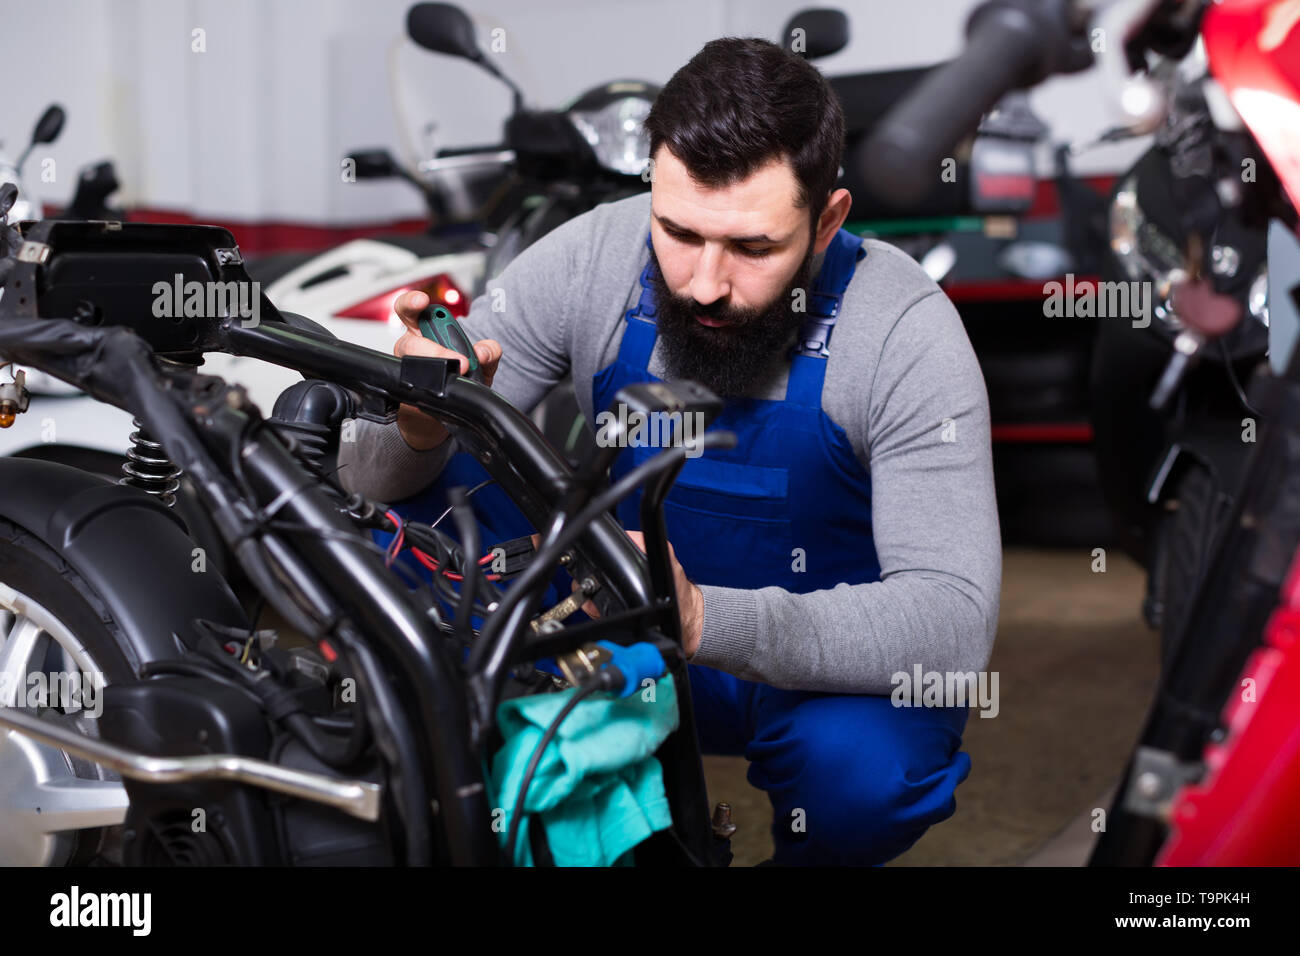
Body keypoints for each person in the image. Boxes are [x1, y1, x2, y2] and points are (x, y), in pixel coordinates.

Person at [339, 36, 1001, 866]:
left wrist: (701, 617)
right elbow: (369, 486)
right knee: (402, 513)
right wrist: (418, 425)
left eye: (753, 248)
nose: (704, 283)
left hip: (808, 676)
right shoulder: (596, 254)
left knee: (865, 778)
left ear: (828, 219)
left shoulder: (900, 329)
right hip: (619, 636)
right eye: (678, 232)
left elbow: (951, 625)